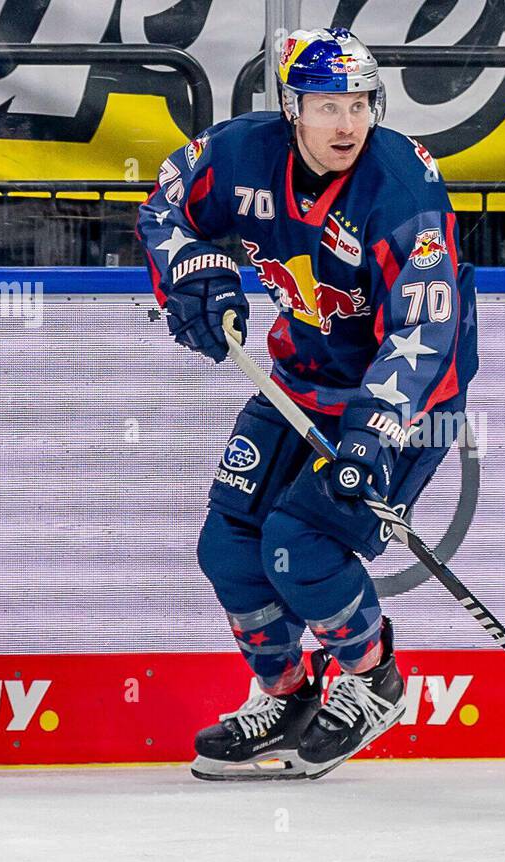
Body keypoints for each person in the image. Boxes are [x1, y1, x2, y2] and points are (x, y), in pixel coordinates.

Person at [136, 27, 478, 780]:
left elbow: (428, 328)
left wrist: (373, 433)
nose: (347, 125)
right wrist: (195, 277)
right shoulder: (238, 156)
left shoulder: (401, 187)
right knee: (228, 549)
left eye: (359, 104)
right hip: (299, 380)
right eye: (327, 106)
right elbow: (165, 210)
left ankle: (369, 679)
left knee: (302, 548)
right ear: (292, 108)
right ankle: (286, 695)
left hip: (405, 399)